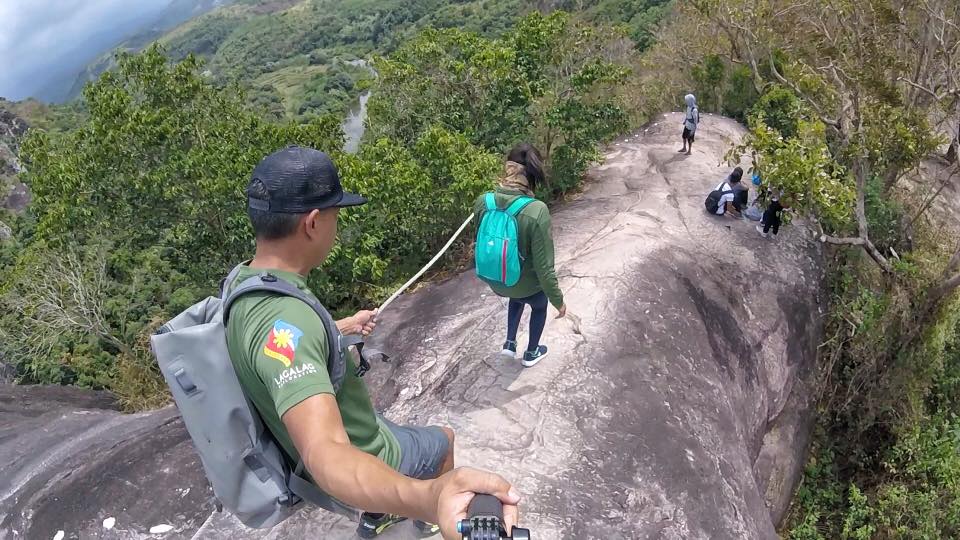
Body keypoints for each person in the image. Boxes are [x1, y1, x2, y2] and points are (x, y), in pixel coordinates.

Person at [225, 146, 520, 540]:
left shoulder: (243, 284)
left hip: (353, 428)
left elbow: (281, 344)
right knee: (442, 440)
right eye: (334, 216)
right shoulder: (286, 319)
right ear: (312, 223)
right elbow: (326, 453)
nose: (336, 226)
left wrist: (339, 326)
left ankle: (381, 512)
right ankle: (421, 523)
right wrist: (430, 495)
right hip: (365, 451)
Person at [474, 143, 566, 368]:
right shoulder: (537, 210)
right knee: (539, 302)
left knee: (517, 294)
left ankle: (509, 343)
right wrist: (559, 302)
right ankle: (532, 352)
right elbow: (545, 269)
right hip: (523, 286)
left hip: (496, 282)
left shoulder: (483, 201)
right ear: (532, 174)